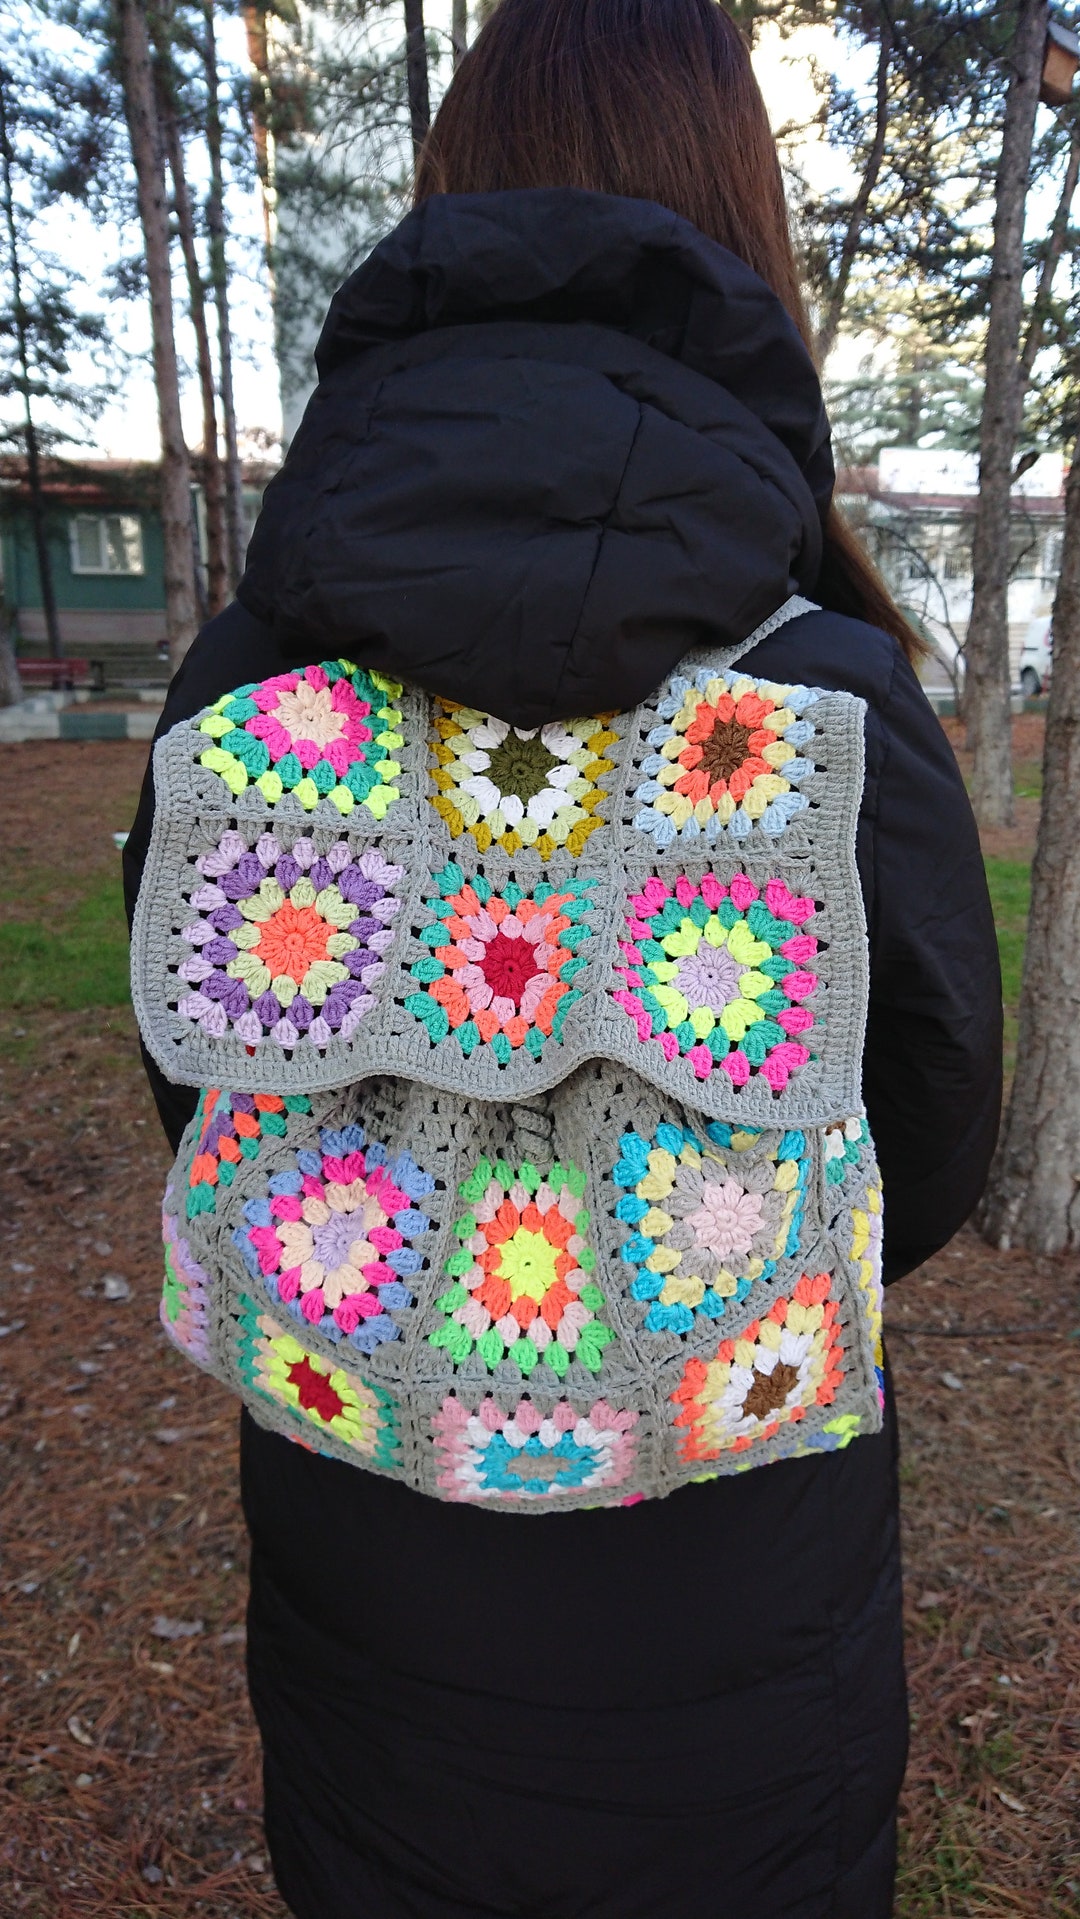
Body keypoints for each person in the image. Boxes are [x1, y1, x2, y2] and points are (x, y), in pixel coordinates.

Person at [124, 1, 1002, 1912]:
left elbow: (201, 1072)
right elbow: (931, 1129)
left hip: (371, 1505)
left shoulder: (249, 683)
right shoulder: (824, 688)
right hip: (736, 1538)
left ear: (448, 204)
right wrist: (697, 1258)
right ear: (741, 227)